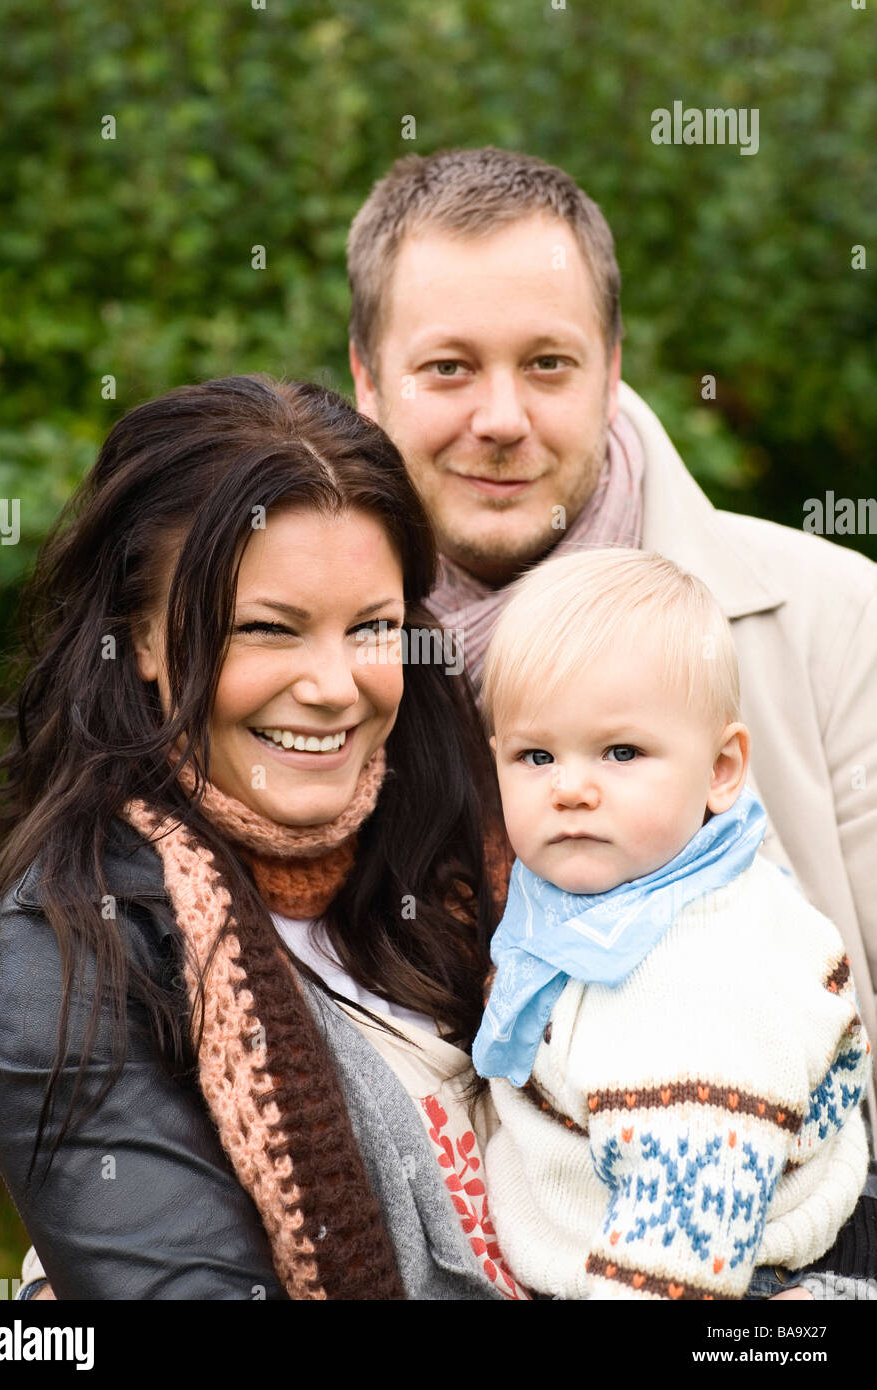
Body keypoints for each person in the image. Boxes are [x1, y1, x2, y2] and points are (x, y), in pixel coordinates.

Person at [0, 374, 526, 1301]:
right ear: (139, 639)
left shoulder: (501, 847)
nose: (335, 685)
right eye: (267, 630)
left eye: (371, 627)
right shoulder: (65, 957)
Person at [346, 147, 877, 1136]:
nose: (500, 419)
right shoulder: (289, 676)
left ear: (611, 369)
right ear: (368, 382)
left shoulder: (842, 625)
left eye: (547, 364)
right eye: (448, 368)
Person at [471, 548, 871, 1301]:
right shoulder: (632, 887)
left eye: (621, 752)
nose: (572, 788)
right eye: (535, 755)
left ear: (722, 769)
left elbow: (683, 1254)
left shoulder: (693, 989)